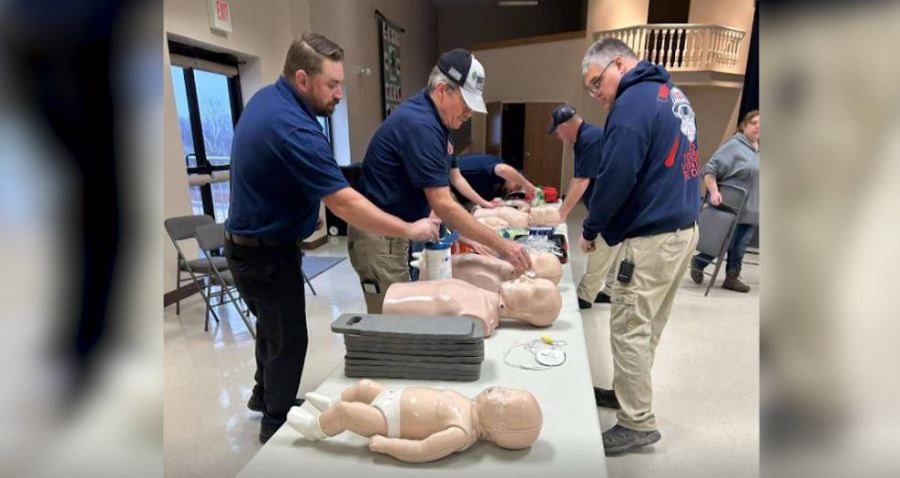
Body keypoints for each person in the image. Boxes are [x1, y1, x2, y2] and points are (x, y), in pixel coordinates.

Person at [224, 33, 440, 444]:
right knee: (290, 339)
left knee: (271, 327)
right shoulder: (293, 127)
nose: (340, 94)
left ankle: (261, 394)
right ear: (302, 79)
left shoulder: (269, 99)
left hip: (250, 247)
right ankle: (275, 422)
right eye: (332, 85)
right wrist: (410, 228)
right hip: (264, 254)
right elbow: (345, 203)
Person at [578, 38, 701, 454]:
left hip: (654, 237)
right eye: (591, 89)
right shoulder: (670, 93)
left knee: (628, 322)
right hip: (684, 228)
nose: (597, 95)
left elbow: (616, 178)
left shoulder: (630, 107)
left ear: (617, 64)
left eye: (597, 83)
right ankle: (626, 392)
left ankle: (636, 421)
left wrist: (593, 228)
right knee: (648, 321)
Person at [351, 48, 532, 314]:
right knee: (392, 327)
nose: (469, 113)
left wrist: (462, 233)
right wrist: (502, 246)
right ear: (441, 90)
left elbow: (440, 188)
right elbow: (444, 204)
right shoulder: (421, 125)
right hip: (381, 240)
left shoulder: (438, 125)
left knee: (410, 316)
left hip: (402, 233)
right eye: (466, 104)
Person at [287, 380, 543, 463]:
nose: (497, 391)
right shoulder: (469, 404)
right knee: (362, 386)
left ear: (496, 429)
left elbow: (423, 450)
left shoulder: (461, 432)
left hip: (388, 420)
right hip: (390, 396)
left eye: (501, 400)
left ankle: (315, 427)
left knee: (347, 412)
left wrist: (388, 446)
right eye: (505, 390)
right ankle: (330, 405)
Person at [548, 104, 619, 308]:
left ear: (566, 127)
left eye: (558, 132)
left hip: (611, 206)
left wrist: (562, 215)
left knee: (602, 247)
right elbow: (576, 177)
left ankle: (585, 297)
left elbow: (582, 181)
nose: (558, 137)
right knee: (615, 248)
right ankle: (611, 290)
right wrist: (561, 207)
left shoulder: (590, 139)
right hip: (610, 204)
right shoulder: (583, 138)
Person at [690, 110, 760, 292]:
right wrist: (713, 191)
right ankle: (698, 263)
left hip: (752, 209)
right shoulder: (734, 146)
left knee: (740, 246)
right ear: (743, 126)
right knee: (722, 242)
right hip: (731, 206)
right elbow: (709, 169)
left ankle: (732, 278)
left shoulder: (760, 149)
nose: (758, 126)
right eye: (754, 122)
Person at [383, 275, 562, 335]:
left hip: (390, 316)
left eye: (533, 289)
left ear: (526, 312)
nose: (524, 278)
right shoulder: (482, 295)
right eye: (533, 280)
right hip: (392, 298)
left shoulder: (479, 317)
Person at [449, 154, 535, 207]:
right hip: (446, 182)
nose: (515, 190)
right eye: (518, 186)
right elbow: (502, 169)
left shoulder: (499, 189)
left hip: (460, 193)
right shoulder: (498, 165)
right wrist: (526, 184)